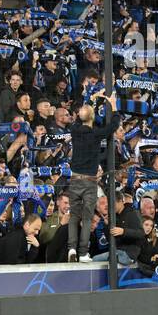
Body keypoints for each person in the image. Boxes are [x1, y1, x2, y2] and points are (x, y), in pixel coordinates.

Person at [62, 91, 116, 262]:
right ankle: (83, 252)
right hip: (90, 182)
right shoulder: (96, 133)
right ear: (92, 118)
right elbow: (113, 125)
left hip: (75, 180)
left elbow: (79, 119)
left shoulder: (75, 130)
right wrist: (113, 106)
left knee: (73, 216)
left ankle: (71, 249)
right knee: (86, 218)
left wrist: (90, 100)